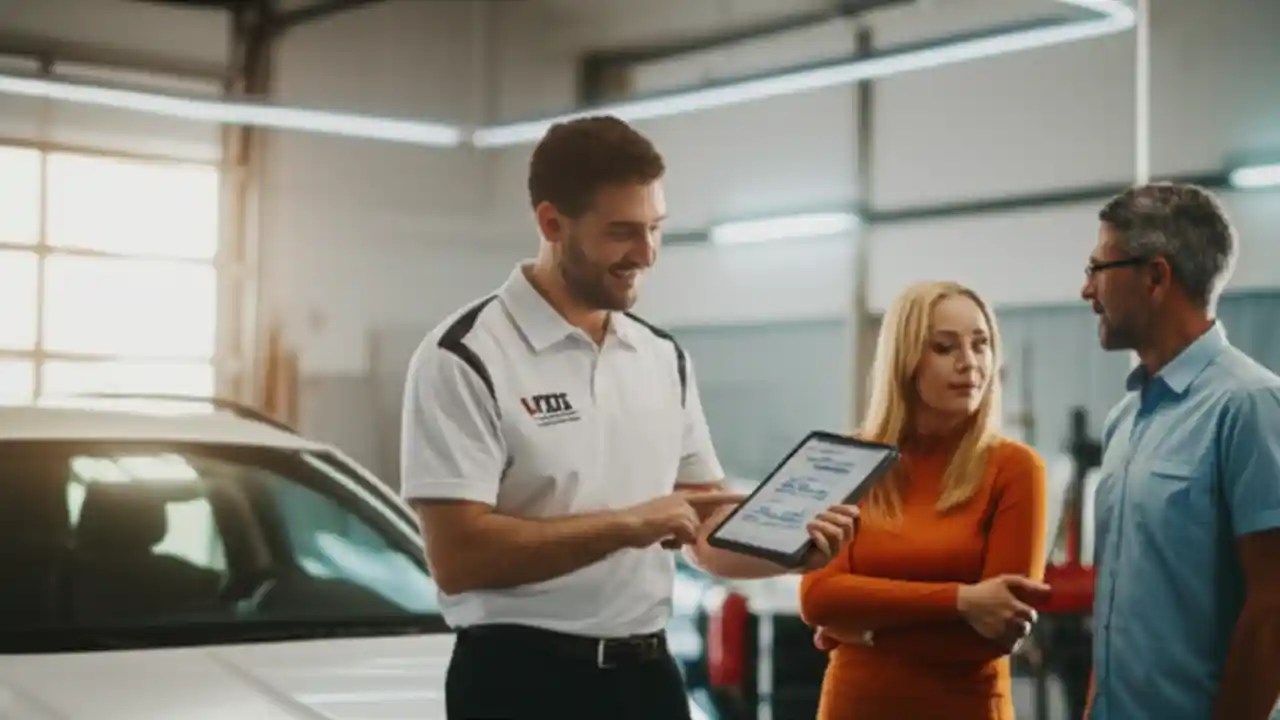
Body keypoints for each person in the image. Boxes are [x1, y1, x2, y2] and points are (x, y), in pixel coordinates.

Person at [398, 115, 860, 720]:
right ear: (551, 223)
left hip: (647, 681)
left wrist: (787, 551)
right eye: (622, 232)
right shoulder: (464, 357)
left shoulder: (662, 357)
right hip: (518, 684)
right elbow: (459, 560)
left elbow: (702, 529)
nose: (645, 254)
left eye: (654, 229)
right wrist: (627, 525)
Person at [798, 280, 1052, 720]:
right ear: (906, 359)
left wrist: (862, 631)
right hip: (853, 708)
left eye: (981, 344)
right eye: (944, 347)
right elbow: (819, 597)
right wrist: (962, 601)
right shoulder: (847, 462)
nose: (969, 363)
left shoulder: (1016, 469)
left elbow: (993, 635)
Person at [1080, 182, 1280, 720]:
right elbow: (1116, 601)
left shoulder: (1249, 405)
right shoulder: (1126, 417)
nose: (1086, 291)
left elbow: (1273, 607)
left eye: (1098, 269)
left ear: (1155, 276)